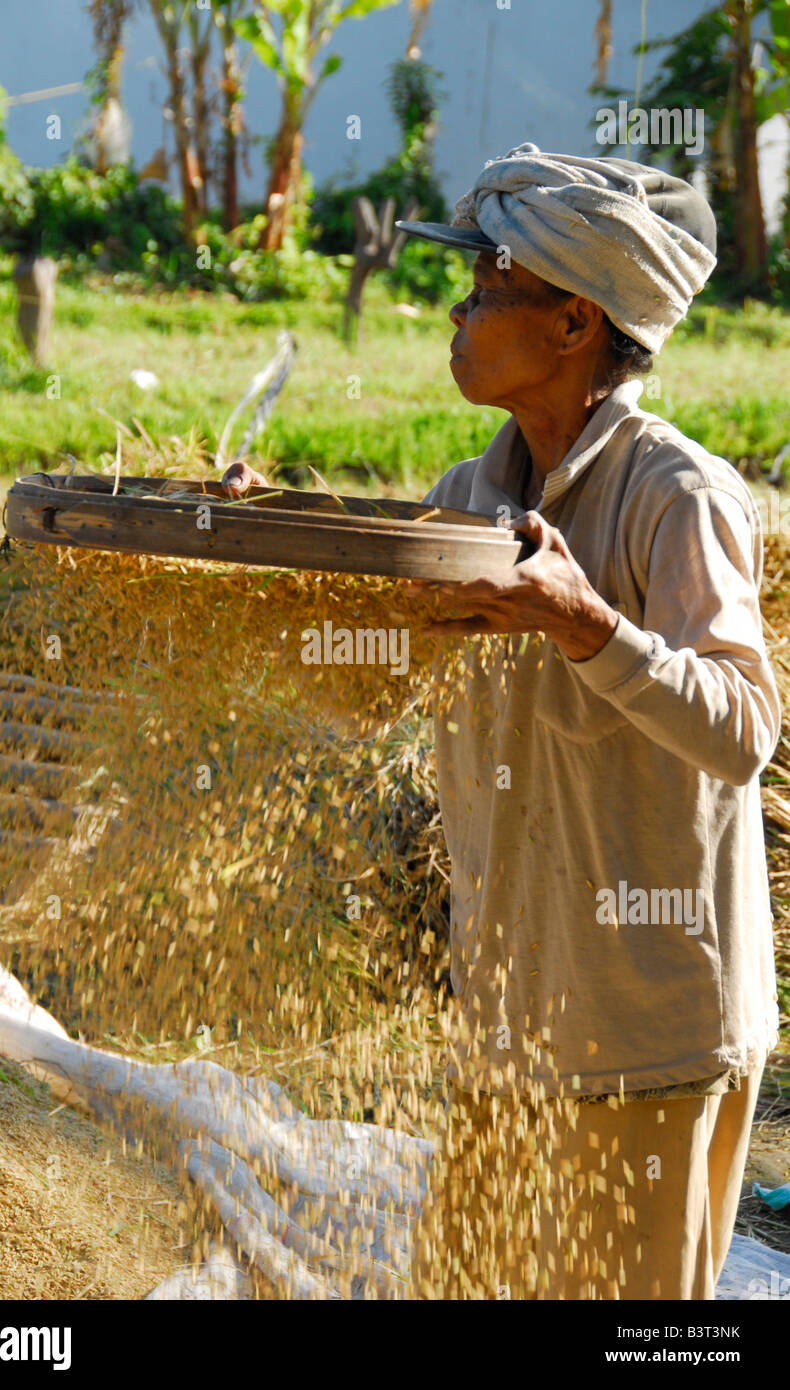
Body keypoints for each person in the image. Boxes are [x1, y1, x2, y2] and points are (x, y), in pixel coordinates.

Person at [222, 144, 781, 1300]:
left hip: (647, 1033)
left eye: (485, 289)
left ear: (573, 322)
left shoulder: (676, 496)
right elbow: (365, 683)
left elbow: (743, 727)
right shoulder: (469, 501)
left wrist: (585, 624)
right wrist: (253, 575)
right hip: (510, 1022)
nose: (457, 314)